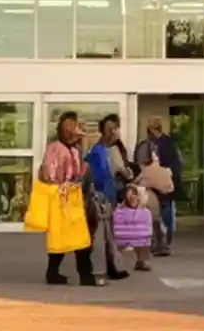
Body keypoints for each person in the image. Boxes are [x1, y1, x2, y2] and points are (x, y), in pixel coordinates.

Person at [38, 111, 98, 285]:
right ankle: (83, 275)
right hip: (61, 198)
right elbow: (50, 173)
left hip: (72, 197)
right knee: (72, 238)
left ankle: (57, 273)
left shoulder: (75, 149)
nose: (74, 128)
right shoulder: (55, 148)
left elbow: (80, 173)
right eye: (71, 125)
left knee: (71, 237)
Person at [83, 123, 129, 281]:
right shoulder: (98, 151)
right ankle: (100, 268)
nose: (117, 132)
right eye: (114, 130)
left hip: (105, 195)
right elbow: (98, 175)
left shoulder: (103, 150)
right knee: (100, 233)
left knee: (105, 233)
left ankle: (110, 266)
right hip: (100, 196)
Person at [134, 115, 181, 256]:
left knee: (154, 215)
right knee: (164, 215)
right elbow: (176, 164)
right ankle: (164, 243)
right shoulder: (168, 143)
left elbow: (140, 163)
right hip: (166, 184)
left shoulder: (147, 144)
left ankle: (157, 243)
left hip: (153, 184)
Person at [112, 184, 155, 272]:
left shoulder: (118, 211)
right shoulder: (146, 212)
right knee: (146, 241)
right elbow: (149, 228)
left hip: (121, 239)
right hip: (141, 239)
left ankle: (116, 261)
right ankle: (143, 260)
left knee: (114, 243)